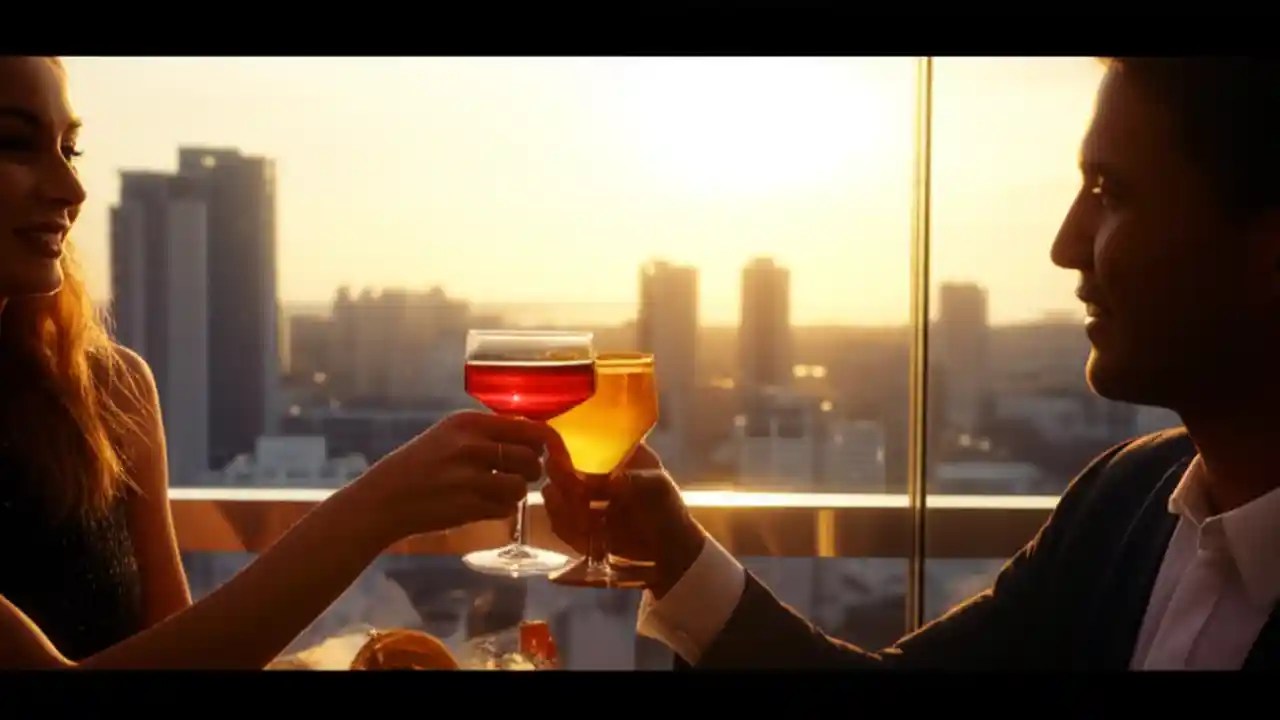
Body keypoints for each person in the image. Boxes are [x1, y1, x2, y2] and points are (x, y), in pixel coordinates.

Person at [543, 57, 1280, 670]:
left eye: (1109, 193)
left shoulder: (1123, 505)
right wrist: (675, 554)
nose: (1064, 245)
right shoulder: (1122, 502)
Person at [0, 56, 557, 669]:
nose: (71, 189)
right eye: (16, 144)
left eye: (69, 149)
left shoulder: (108, 392)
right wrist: (375, 508)